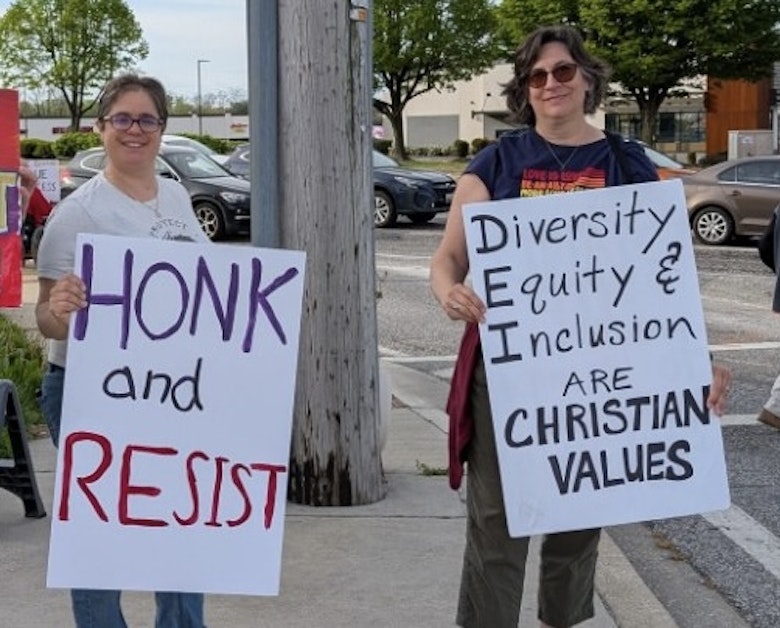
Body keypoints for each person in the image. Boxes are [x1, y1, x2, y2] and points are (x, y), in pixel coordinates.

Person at [428, 25, 732, 628]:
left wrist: (699, 357)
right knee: (497, 520)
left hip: (598, 376)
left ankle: (562, 620)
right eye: (537, 76)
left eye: (563, 71)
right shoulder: (498, 162)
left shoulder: (625, 162)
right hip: (509, 373)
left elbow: (660, 280)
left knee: (577, 516)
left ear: (587, 79)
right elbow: (448, 258)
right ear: (525, 89)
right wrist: (449, 293)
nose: (551, 84)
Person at [35, 74, 209, 628]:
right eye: (123, 120)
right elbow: (47, 321)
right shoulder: (78, 213)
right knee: (101, 532)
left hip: (171, 390)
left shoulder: (177, 194)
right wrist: (60, 308)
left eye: (147, 120)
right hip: (93, 392)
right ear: (101, 128)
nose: (135, 131)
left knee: (182, 521)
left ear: (162, 129)